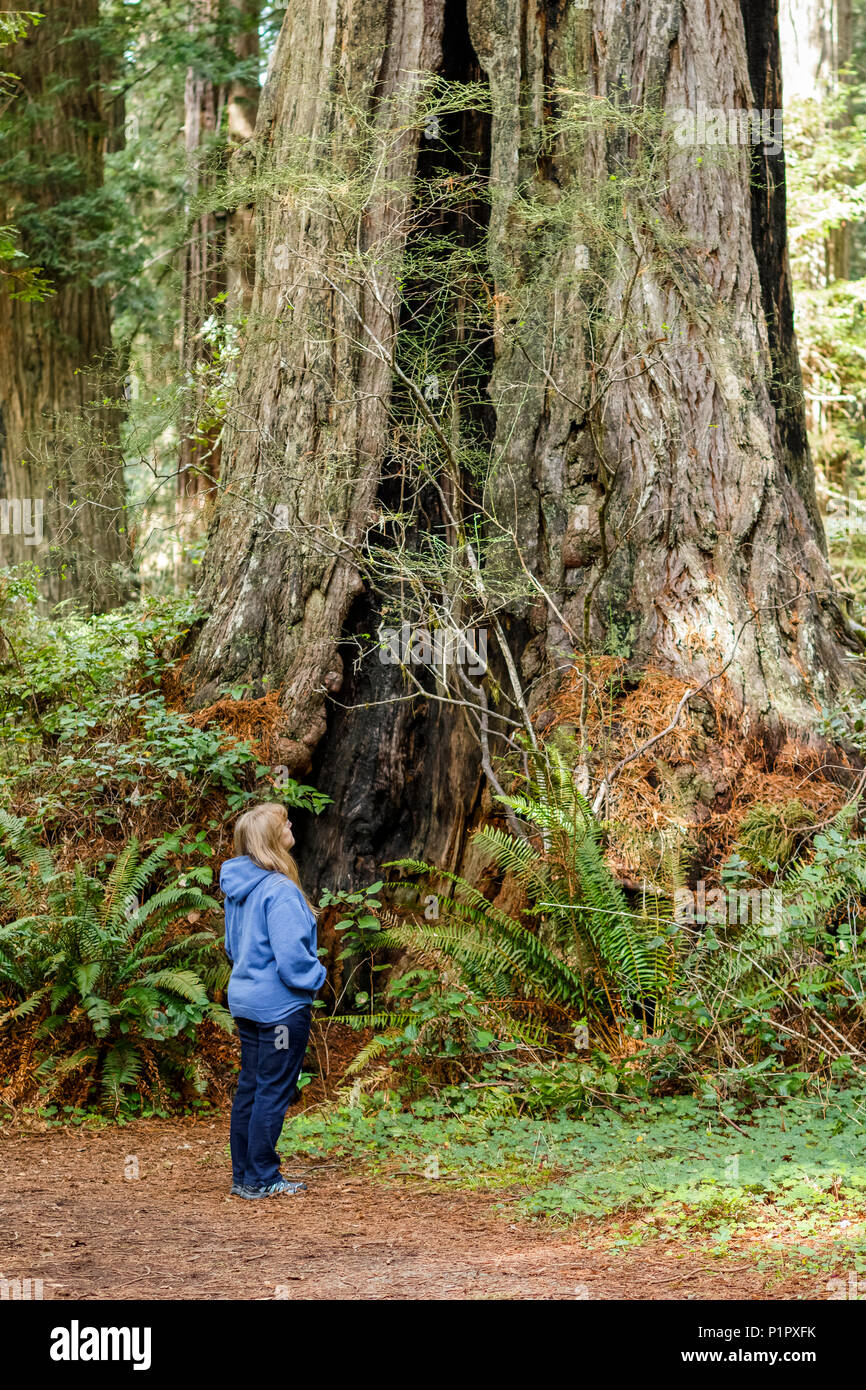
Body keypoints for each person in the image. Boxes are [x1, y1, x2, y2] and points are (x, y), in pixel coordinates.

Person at [220, 802, 326, 1199]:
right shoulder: (279, 889)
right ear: (271, 838)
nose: (291, 824)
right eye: (285, 822)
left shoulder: (239, 889)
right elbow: (292, 958)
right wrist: (316, 978)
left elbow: (232, 947)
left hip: (246, 1001)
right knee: (272, 1088)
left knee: (251, 1085)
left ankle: (245, 1176)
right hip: (280, 1010)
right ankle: (262, 1177)